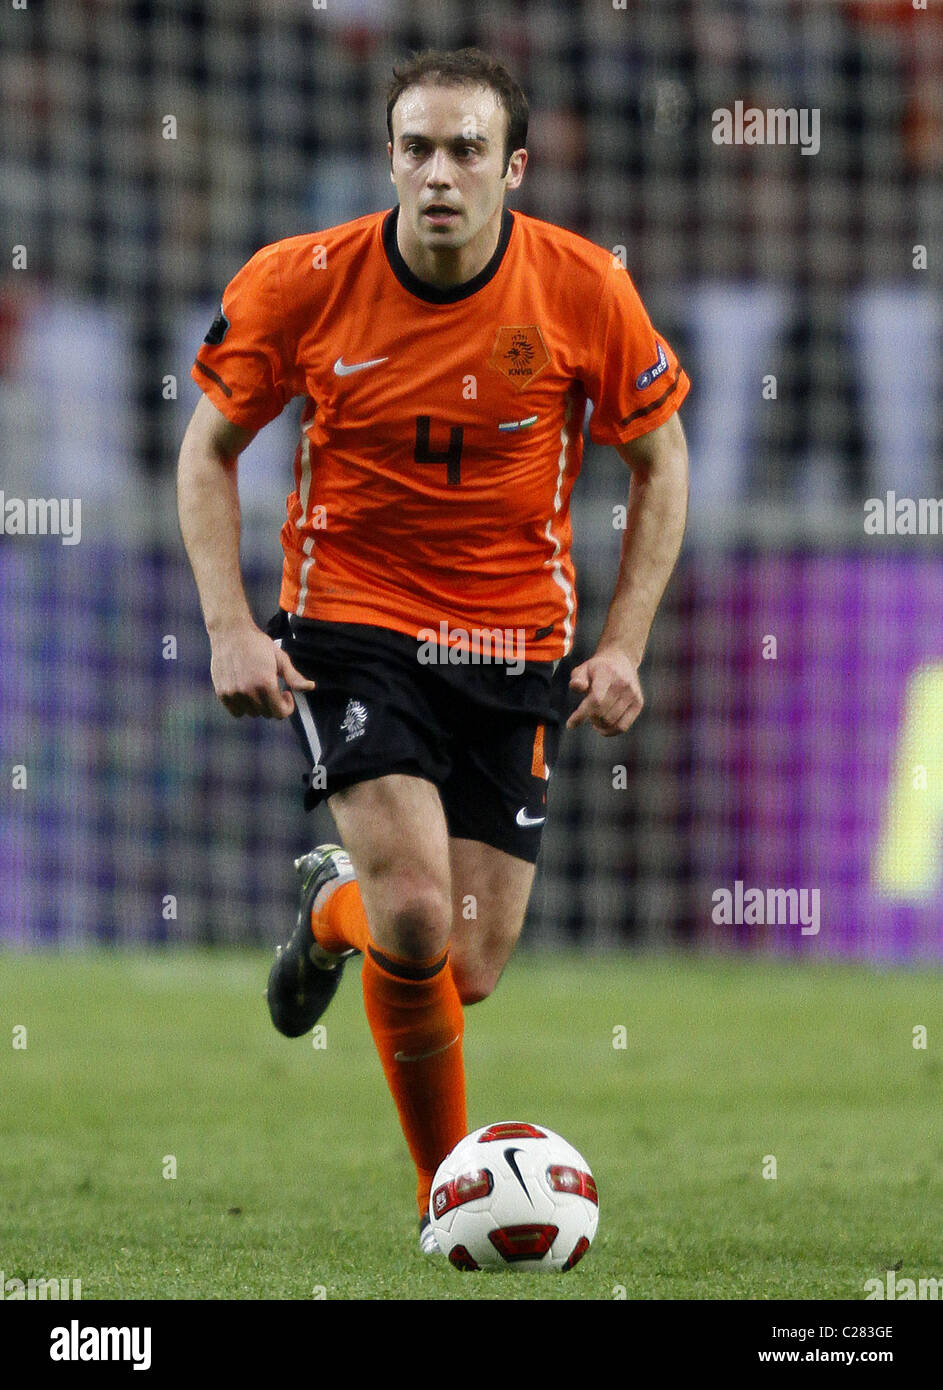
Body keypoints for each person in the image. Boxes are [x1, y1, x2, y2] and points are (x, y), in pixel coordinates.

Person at [177, 47, 690, 1256]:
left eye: (467, 150)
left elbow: (661, 463)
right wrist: (230, 627)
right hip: (351, 627)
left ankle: (324, 915)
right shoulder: (298, 282)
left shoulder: (580, 288)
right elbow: (208, 452)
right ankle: (441, 1196)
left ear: (512, 166)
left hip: (514, 641)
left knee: (462, 966)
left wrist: (622, 647)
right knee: (415, 917)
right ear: (388, 158)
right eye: (417, 147)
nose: (439, 173)